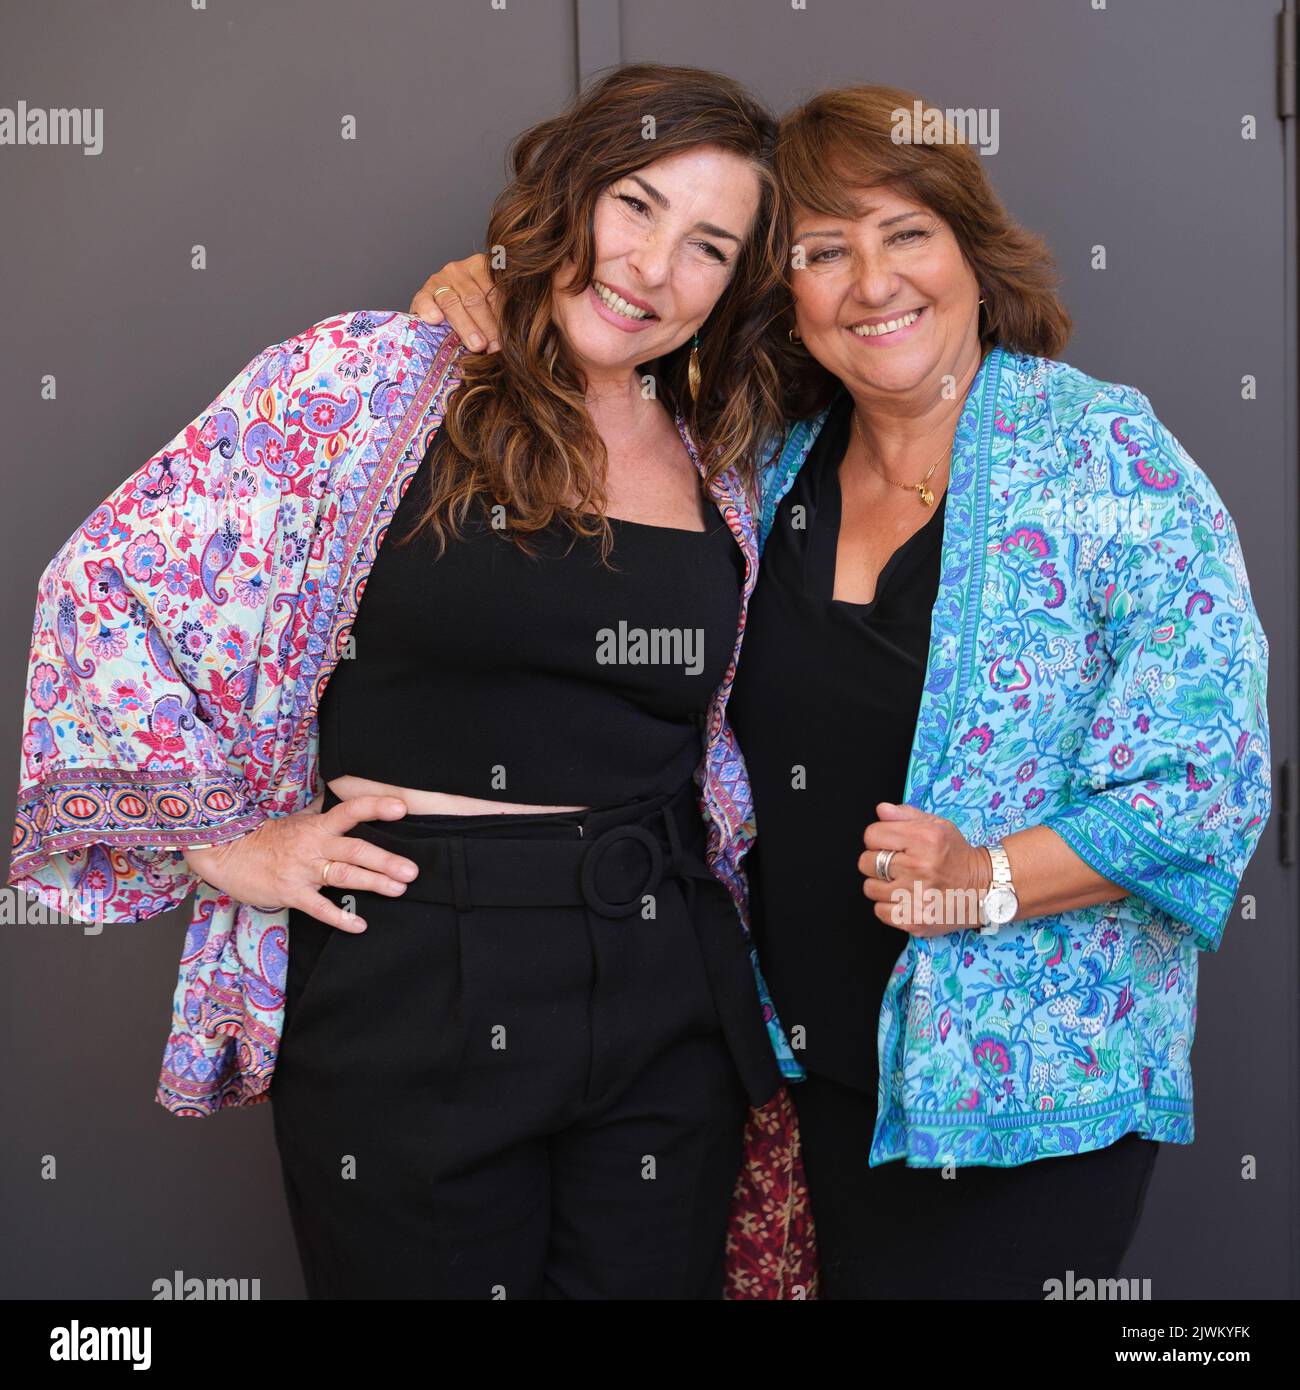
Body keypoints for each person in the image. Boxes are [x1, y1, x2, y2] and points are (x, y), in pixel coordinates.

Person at [411, 84, 1272, 1299]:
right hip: (782, 1082)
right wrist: (495, 282)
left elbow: (1206, 787)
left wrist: (979, 881)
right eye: (823, 251)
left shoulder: (1103, 456)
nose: (871, 284)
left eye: (905, 233)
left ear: (974, 250)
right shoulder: (760, 458)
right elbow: (608, 335)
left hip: (1017, 1097)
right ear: (786, 294)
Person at [6, 63, 806, 1299]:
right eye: (636, 204)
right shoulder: (367, 379)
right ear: (574, 184)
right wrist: (221, 840)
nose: (653, 266)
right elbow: (104, 580)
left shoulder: (724, 450)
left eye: (708, 246)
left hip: (661, 971)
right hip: (417, 968)